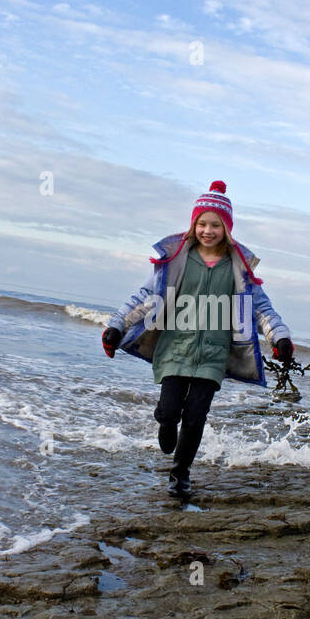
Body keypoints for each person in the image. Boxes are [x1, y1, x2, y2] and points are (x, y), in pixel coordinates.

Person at [101, 181, 294, 497]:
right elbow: (146, 297)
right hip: (175, 348)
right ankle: (165, 422)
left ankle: (180, 473)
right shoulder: (176, 259)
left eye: (215, 225)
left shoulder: (237, 268)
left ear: (226, 228)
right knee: (170, 410)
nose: (208, 230)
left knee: (195, 415)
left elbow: (261, 308)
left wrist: (279, 338)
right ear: (194, 224)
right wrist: (117, 326)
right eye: (202, 223)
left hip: (213, 354)